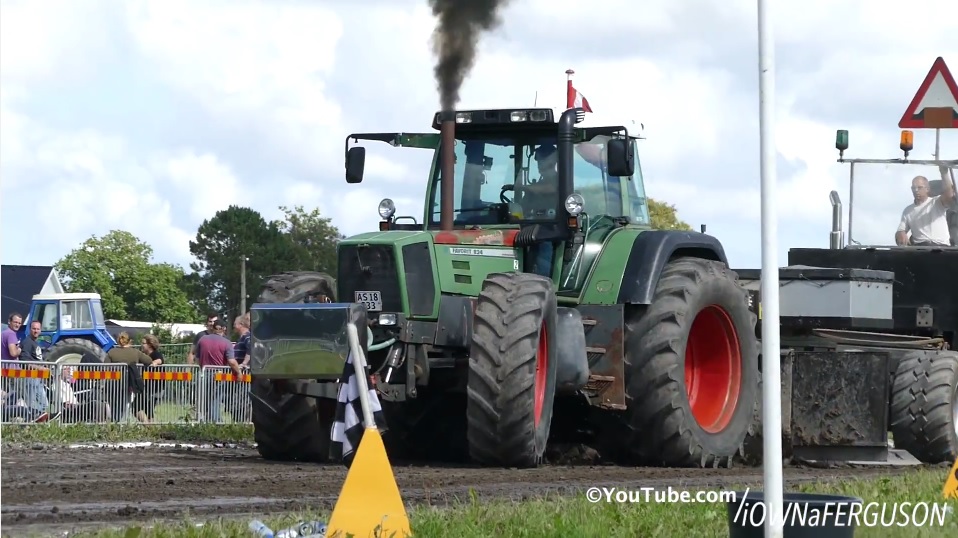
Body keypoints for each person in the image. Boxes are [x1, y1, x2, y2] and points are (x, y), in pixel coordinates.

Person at [195, 319, 243, 422]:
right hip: (218, 375)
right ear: (224, 329)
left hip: (204, 373)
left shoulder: (202, 339)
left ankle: (204, 421)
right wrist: (238, 373)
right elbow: (232, 361)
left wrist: (202, 368)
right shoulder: (226, 342)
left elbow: (197, 358)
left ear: (213, 327)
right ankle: (216, 422)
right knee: (216, 399)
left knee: (205, 399)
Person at [895, 166, 955, 246]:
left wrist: (944, 173)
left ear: (927, 189)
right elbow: (901, 230)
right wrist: (901, 234)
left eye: (919, 188)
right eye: (913, 188)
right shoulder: (908, 210)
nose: (916, 190)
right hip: (921, 249)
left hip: (941, 248)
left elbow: (949, 194)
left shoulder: (936, 202)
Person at [104, 332, 157, 422]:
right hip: (129, 384)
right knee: (126, 405)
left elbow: (105, 366)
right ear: (130, 341)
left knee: (114, 406)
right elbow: (148, 360)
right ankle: (123, 424)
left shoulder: (112, 352)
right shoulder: (135, 352)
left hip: (112, 385)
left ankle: (115, 423)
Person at [17, 320, 51, 422]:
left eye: (38, 329)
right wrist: (40, 368)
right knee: (32, 406)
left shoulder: (35, 343)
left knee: (44, 405)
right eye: (34, 328)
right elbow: (24, 361)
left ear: (40, 330)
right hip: (30, 377)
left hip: (38, 379)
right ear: (30, 329)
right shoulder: (27, 342)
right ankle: (29, 426)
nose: (36, 331)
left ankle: (38, 424)